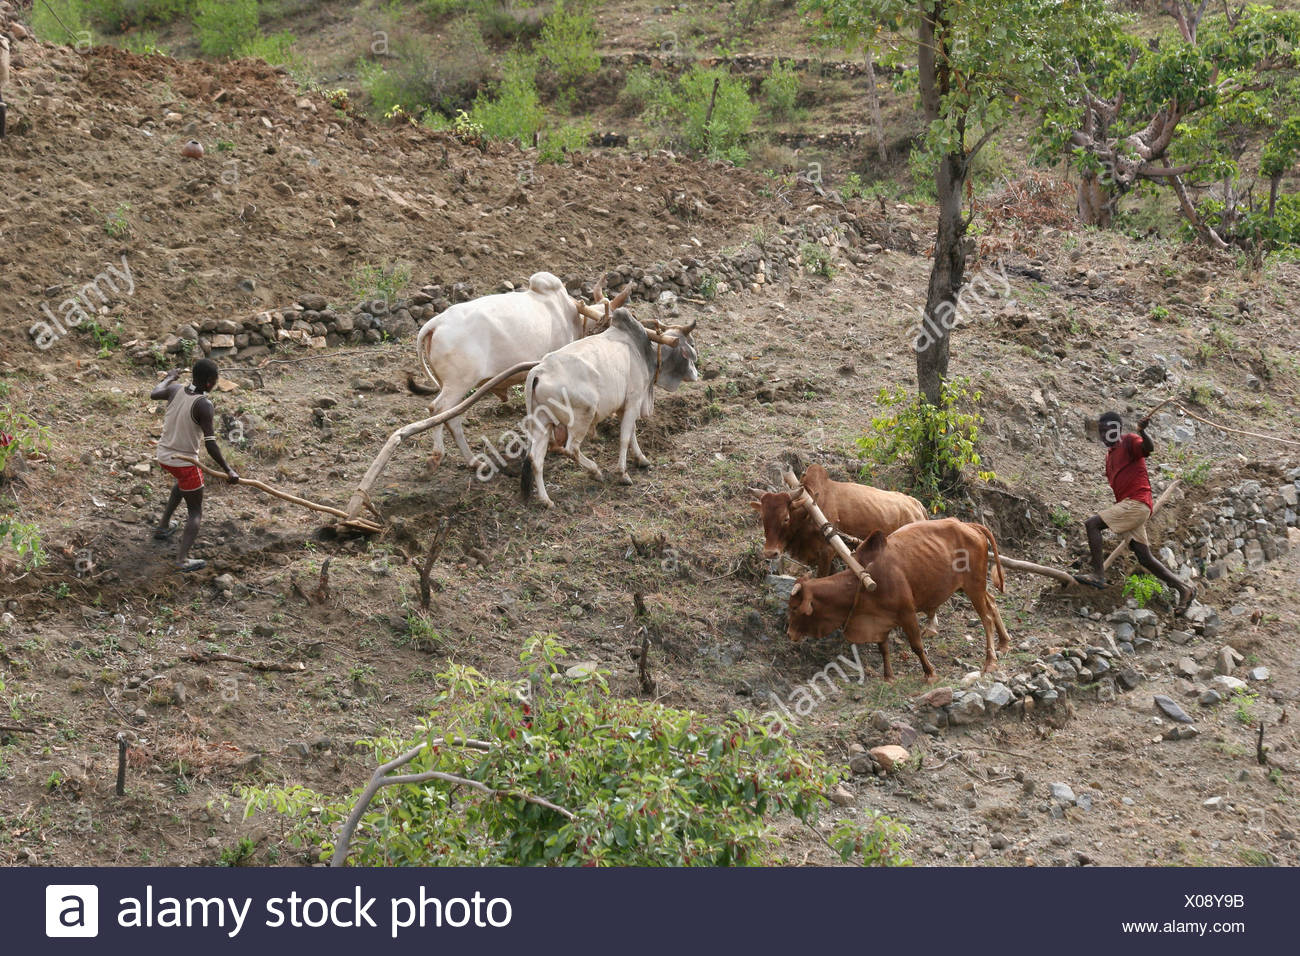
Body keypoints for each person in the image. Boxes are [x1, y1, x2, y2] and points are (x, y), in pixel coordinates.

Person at [1075, 411, 1196, 611]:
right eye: (1101, 432)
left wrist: (1143, 432)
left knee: (1092, 524)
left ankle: (1098, 575)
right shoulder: (1110, 456)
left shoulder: (1129, 441)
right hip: (1131, 505)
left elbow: (1148, 448)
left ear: (1117, 430)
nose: (1104, 436)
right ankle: (1184, 589)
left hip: (1136, 503)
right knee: (1143, 556)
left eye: (1107, 431)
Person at [151, 358, 238, 571]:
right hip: (185, 462)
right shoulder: (204, 405)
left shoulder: (175, 390)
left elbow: (155, 392)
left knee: (182, 485)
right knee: (195, 512)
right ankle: (182, 559)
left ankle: (163, 526)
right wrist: (228, 470)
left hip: (163, 456)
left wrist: (170, 376)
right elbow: (211, 445)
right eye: (216, 380)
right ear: (209, 382)